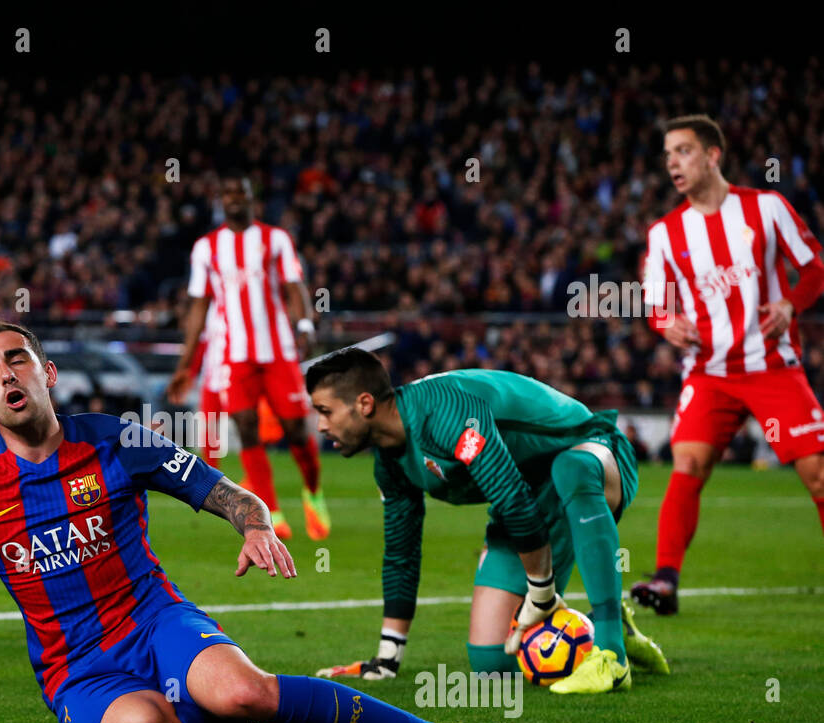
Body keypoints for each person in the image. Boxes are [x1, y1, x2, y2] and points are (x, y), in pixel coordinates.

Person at [0, 317, 510, 723]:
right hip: (76, 668)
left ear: (48, 373)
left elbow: (228, 492)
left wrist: (255, 525)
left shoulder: (119, 439)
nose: (6, 373)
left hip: (154, 622)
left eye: (17, 359)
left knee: (246, 693)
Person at [305, 348, 670, 693]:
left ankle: (612, 653)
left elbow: (510, 497)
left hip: (593, 451)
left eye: (325, 411)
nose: (320, 425)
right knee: (490, 662)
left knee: (570, 468)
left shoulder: (443, 411)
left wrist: (541, 593)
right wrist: (387, 657)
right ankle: (597, 626)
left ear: (364, 404)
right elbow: (401, 553)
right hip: (530, 492)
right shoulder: (390, 463)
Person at [632, 115, 824, 615]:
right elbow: (655, 303)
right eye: (668, 154)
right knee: (688, 463)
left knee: (817, 474)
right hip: (709, 373)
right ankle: (666, 580)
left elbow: (815, 267)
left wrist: (790, 305)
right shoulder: (665, 234)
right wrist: (666, 323)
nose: (673, 161)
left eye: (683, 151)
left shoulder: (767, 208)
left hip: (772, 367)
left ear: (713, 155)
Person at [167, 172, 329, 541]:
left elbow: (294, 287)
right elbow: (198, 307)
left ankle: (313, 491)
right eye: (227, 191)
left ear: (251, 197)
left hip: (278, 352)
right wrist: (185, 365)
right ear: (221, 199)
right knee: (246, 426)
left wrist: (304, 326)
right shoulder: (206, 247)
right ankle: (270, 510)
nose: (233, 197)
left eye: (239, 190)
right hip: (233, 355)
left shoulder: (275, 239)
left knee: (296, 430)